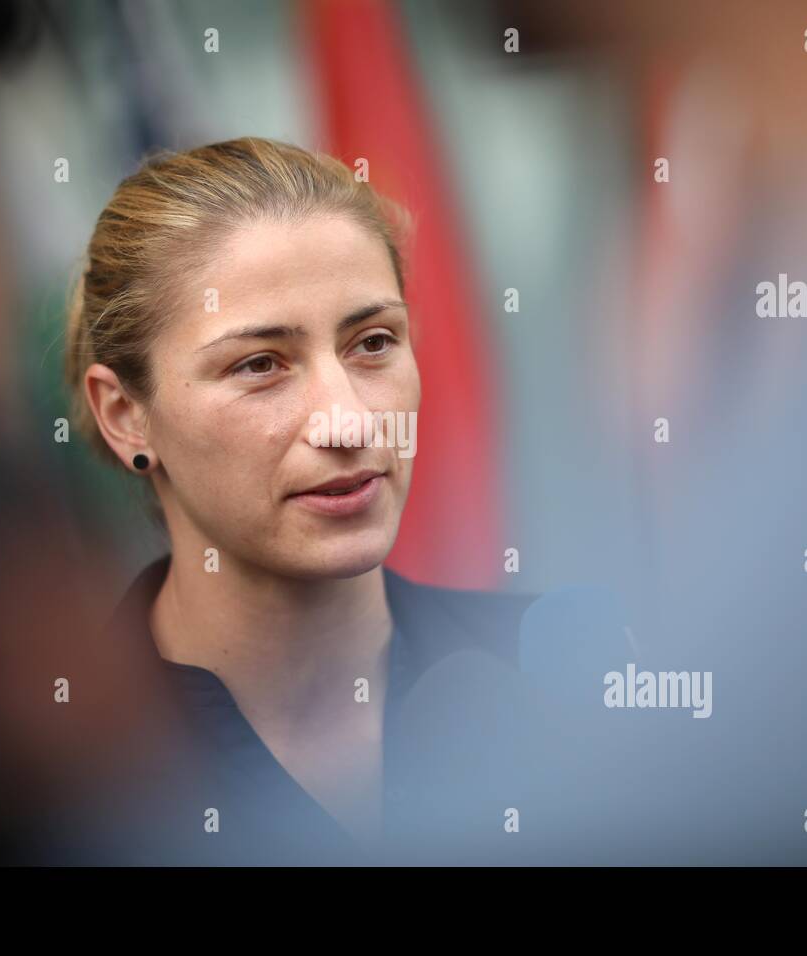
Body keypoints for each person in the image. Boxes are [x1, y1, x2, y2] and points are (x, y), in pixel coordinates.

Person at [63, 137, 541, 864]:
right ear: (126, 414)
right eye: (260, 364)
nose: (348, 420)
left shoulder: (566, 682)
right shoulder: (49, 784)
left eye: (373, 343)